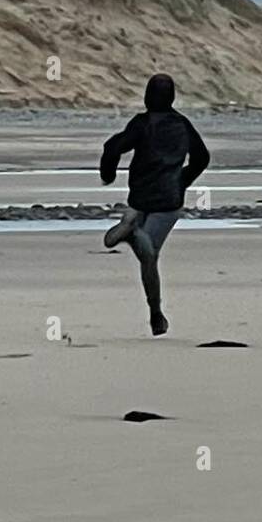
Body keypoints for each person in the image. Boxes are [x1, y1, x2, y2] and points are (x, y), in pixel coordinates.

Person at [99, 74, 210, 335]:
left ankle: (129, 230)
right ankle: (156, 314)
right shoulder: (183, 124)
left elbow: (113, 146)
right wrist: (183, 180)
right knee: (149, 257)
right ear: (172, 98)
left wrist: (108, 174)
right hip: (168, 201)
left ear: (147, 97)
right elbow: (202, 157)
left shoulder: (142, 123)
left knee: (146, 255)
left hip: (139, 199)